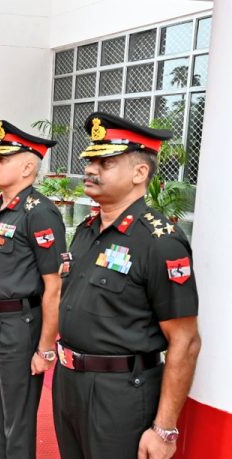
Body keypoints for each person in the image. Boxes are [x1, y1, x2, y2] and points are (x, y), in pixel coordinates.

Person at [52, 112, 201, 459]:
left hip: (120, 394)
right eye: (91, 161)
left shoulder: (159, 242)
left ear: (139, 173)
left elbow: (186, 341)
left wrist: (164, 429)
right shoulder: (87, 231)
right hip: (69, 383)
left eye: (106, 163)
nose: (91, 170)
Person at [0, 120, 65, 458]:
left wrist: (45, 348)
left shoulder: (39, 214)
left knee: (17, 417)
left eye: (2, 158)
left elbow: (53, 287)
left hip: (19, 327)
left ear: (27, 166)